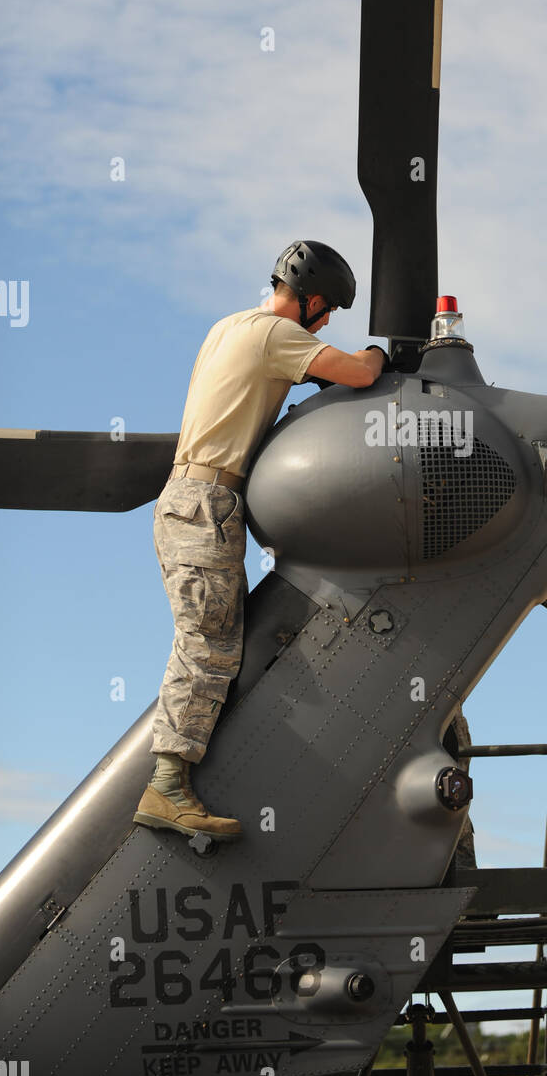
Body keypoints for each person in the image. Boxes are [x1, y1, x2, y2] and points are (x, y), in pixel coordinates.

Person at [134, 240, 385, 840]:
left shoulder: (228, 328)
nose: (325, 326)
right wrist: (379, 351)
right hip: (206, 504)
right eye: (328, 315)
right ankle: (167, 786)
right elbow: (358, 373)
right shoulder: (278, 334)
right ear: (313, 301)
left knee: (214, 636)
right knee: (208, 643)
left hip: (190, 500)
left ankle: (175, 778)